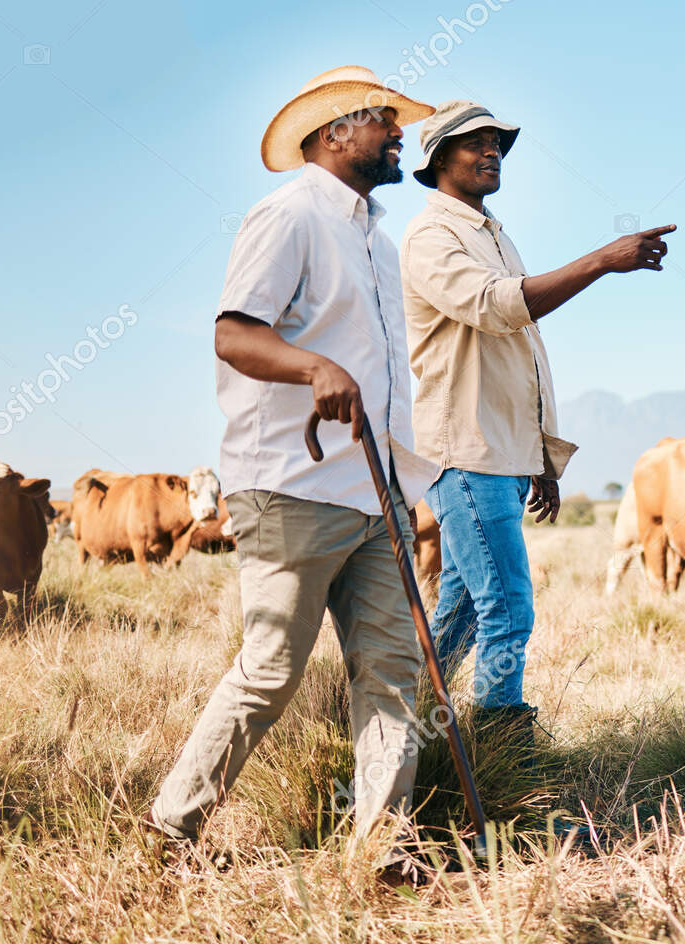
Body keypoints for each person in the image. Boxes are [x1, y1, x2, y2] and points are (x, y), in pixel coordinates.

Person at [147, 67, 440, 877]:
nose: (397, 132)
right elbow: (235, 335)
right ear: (333, 132)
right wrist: (314, 367)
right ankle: (175, 826)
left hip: (374, 489)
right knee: (272, 670)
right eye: (383, 119)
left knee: (393, 671)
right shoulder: (289, 214)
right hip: (292, 483)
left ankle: (383, 845)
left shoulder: (376, 241)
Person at [400, 100, 674, 748]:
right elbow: (499, 309)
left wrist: (541, 459)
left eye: (497, 142)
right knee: (511, 610)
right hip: (466, 454)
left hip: (502, 455)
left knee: (464, 612)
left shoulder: (493, 234)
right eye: (476, 143)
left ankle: (404, 738)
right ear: (439, 159)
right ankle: (504, 759)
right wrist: (602, 260)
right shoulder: (430, 238)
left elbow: (523, 353)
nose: (492, 152)